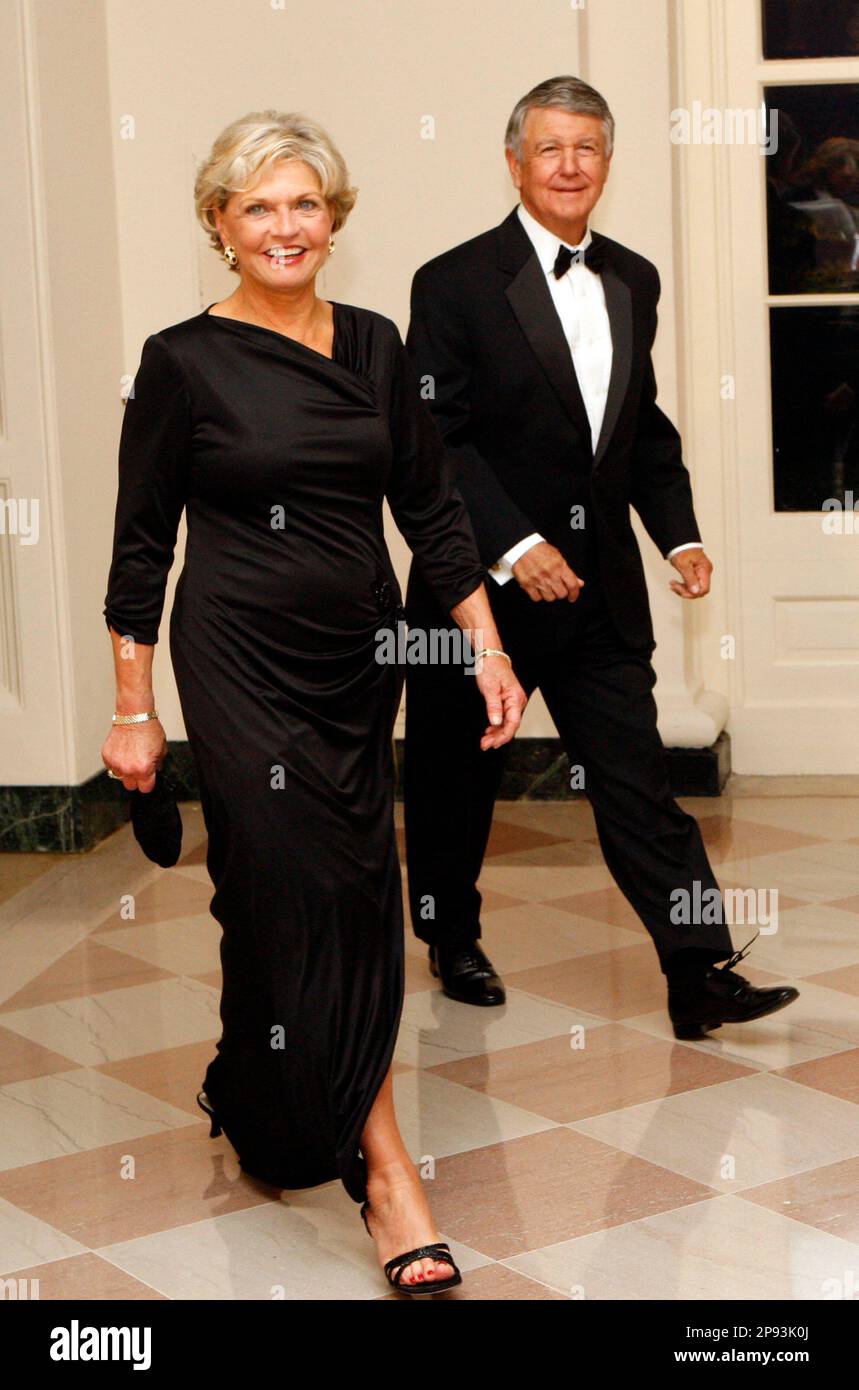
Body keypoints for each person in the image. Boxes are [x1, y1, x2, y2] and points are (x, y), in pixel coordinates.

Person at [101, 109, 526, 1297]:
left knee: (315, 886)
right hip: (236, 658)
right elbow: (142, 549)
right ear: (220, 225)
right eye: (258, 207)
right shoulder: (180, 361)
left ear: (333, 219)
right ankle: (388, 1172)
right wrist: (135, 707)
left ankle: (259, 1085)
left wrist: (481, 648)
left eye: (304, 204)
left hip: (357, 658)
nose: (284, 227)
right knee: (298, 879)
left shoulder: (377, 346)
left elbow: (433, 515)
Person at [402, 76, 799, 1036]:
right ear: (514, 163)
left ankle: (701, 974)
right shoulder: (450, 282)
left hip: (600, 599)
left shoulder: (633, 277)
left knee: (640, 788)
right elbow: (433, 438)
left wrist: (683, 532)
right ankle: (451, 936)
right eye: (549, 148)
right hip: (480, 600)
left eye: (587, 148)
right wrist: (516, 544)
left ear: (607, 164)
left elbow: (639, 429)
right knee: (453, 786)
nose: (569, 165)